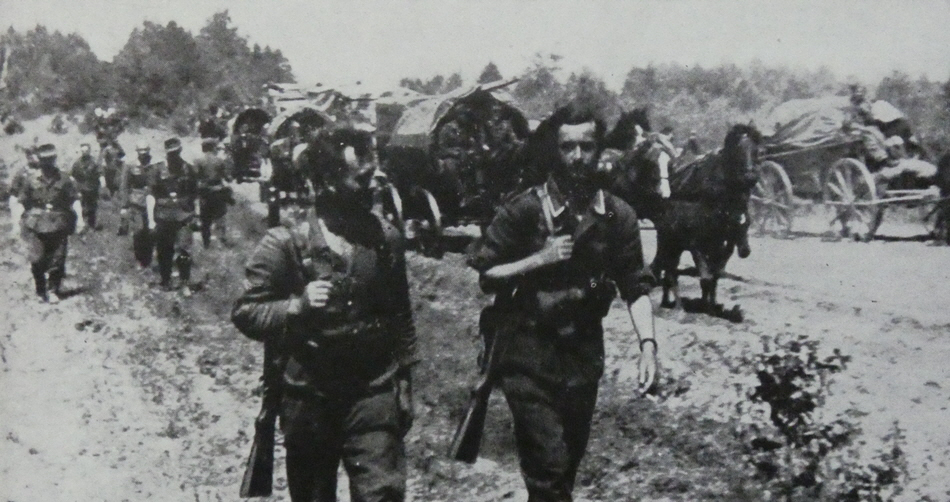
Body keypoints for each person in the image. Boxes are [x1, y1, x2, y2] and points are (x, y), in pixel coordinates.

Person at [466, 102, 659, 502]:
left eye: (586, 147)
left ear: (599, 150)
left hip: (582, 360)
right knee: (549, 469)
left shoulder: (617, 215)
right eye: (567, 147)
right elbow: (487, 275)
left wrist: (648, 346)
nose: (576, 157)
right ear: (556, 149)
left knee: (564, 470)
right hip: (528, 356)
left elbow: (635, 286)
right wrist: (539, 259)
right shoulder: (526, 208)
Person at [232, 126, 417, 502]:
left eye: (374, 175)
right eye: (361, 179)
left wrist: (406, 382)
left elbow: (400, 312)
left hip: (372, 391)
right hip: (309, 396)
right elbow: (246, 311)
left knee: (383, 494)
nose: (373, 187)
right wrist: (295, 307)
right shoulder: (286, 241)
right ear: (327, 182)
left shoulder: (385, 238)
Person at [16, 143, 84, 303]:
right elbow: (22, 201)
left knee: (58, 259)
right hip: (37, 225)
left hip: (59, 224)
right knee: (37, 259)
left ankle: (53, 290)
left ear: (54, 159)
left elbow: (75, 200)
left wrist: (80, 219)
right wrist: (17, 222)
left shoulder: (65, 178)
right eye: (44, 160)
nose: (47, 163)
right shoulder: (30, 179)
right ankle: (40, 290)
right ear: (39, 160)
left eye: (51, 159)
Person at [146, 137, 198, 295]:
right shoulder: (156, 170)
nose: (173, 156)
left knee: (184, 250)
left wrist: (196, 215)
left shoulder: (189, 169)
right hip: (163, 215)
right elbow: (150, 195)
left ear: (180, 151)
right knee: (164, 250)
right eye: (170, 153)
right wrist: (150, 220)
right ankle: (165, 280)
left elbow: (194, 194)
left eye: (176, 153)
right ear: (166, 153)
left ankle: (184, 283)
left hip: (183, 216)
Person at [119, 142, 156, 268]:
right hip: (136, 202)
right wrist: (124, 205)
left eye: (145, 149)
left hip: (153, 201)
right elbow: (124, 185)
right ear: (137, 151)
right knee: (139, 231)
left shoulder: (155, 164)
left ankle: (149, 259)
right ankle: (139, 259)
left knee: (151, 231)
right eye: (141, 150)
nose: (143, 152)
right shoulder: (130, 165)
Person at [193, 137, 233, 248]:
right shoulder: (219, 160)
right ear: (213, 147)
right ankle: (220, 242)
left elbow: (195, 177)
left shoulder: (198, 161)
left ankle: (206, 244)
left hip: (205, 193)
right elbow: (228, 178)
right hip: (218, 192)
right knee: (220, 217)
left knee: (205, 219)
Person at [70, 142, 107, 230]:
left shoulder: (94, 162)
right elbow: (72, 174)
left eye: (86, 150)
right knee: (81, 207)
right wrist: (73, 184)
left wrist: (102, 182)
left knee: (92, 207)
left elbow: (100, 173)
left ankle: (91, 225)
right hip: (81, 188)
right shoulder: (77, 163)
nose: (84, 152)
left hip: (92, 188)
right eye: (83, 151)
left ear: (89, 151)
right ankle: (80, 225)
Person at [7, 146, 40, 238]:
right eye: (31, 156)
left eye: (37, 155)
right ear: (28, 158)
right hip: (25, 202)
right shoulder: (22, 173)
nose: (35, 158)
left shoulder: (44, 170)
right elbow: (14, 192)